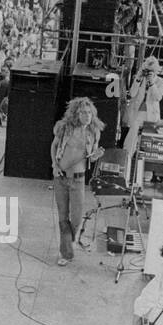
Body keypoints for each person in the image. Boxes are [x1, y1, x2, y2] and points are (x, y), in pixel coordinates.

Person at [50, 96, 104, 267]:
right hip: (61, 177)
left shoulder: (94, 132)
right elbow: (54, 146)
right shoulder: (64, 128)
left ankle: (67, 243)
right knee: (63, 216)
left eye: (89, 112)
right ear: (75, 114)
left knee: (76, 219)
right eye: (83, 113)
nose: (87, 116)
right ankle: (66, 252)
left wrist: (95, 156)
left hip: (79, 180)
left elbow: (92, 156)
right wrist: (54, 165)